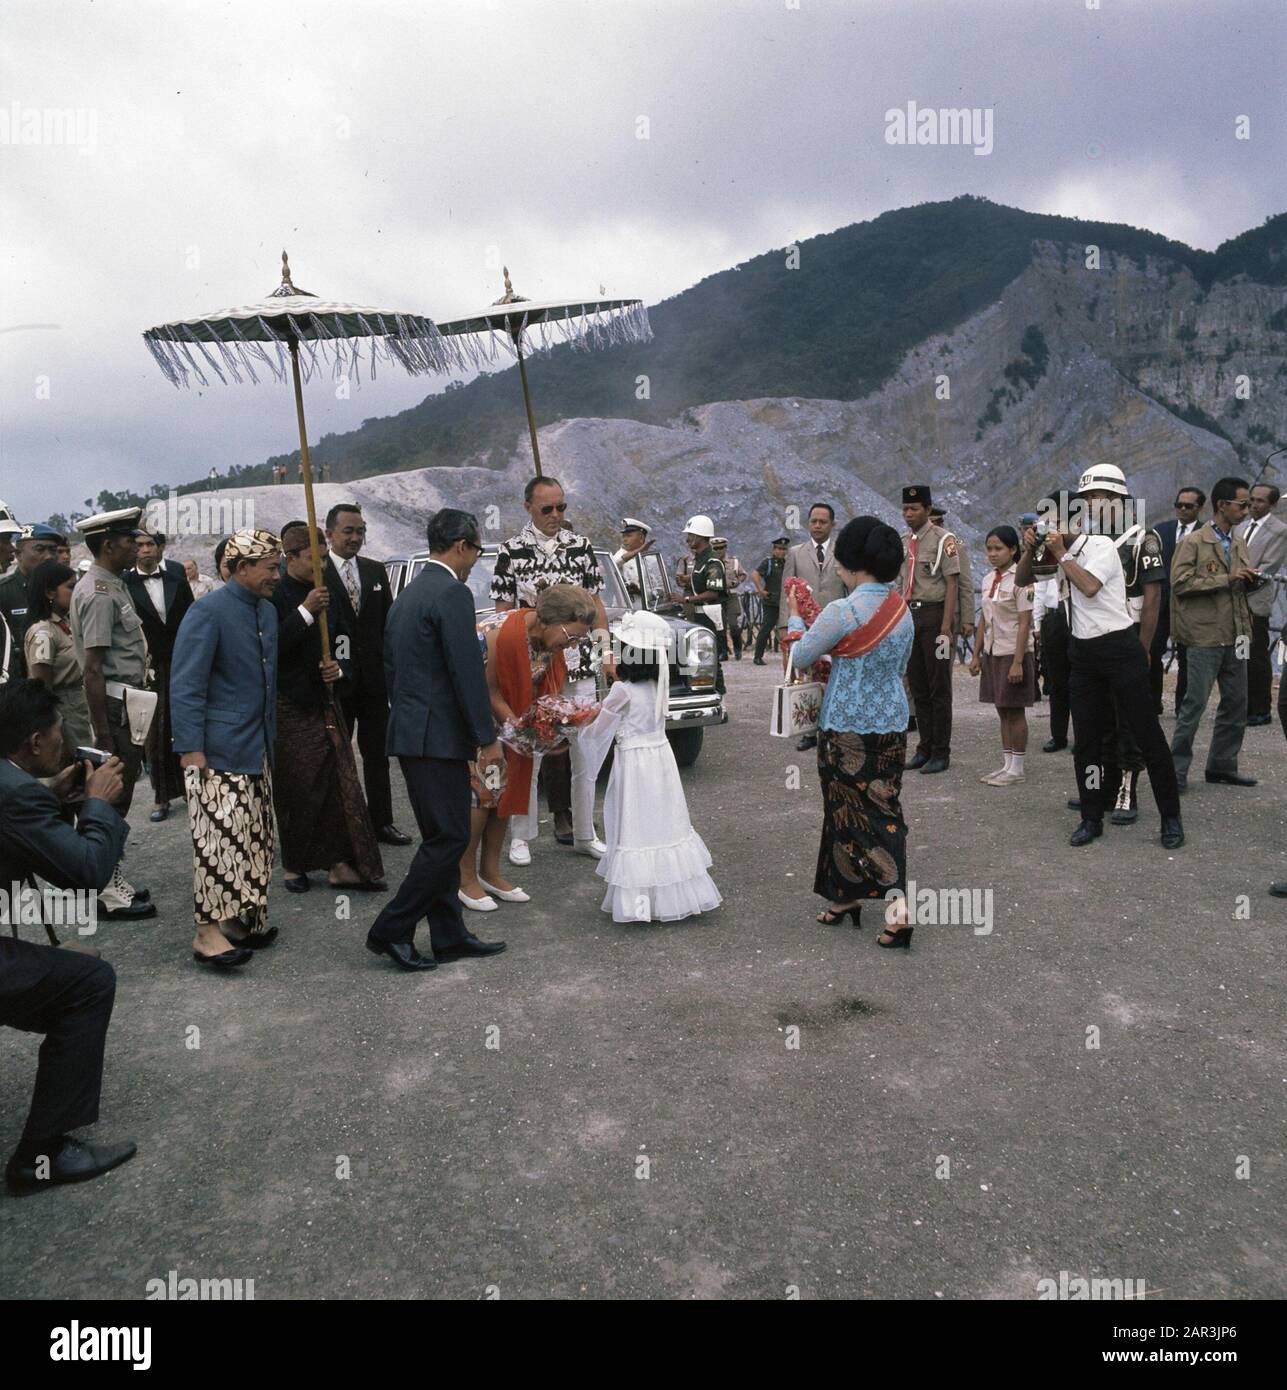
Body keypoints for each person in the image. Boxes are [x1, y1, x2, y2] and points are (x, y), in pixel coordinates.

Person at [0, 679, 137, 1193]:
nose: (67, 744)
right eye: (60, 735)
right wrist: (98, 806)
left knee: (66, 970)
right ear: (35, 742)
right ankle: (42, 1155)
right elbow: (88, 874)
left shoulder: (12, 784)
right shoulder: (15, 795)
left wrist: (51, 795)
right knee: (89, 981)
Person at [366, 509, 506, 972]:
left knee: (439, 835)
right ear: (462, 546)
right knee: (449, 837)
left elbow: (391, 667)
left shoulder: (408, 594)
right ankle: (390, 930)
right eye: (477, 551)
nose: (474, 562)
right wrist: (486, 737)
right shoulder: (452, 592)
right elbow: (465, 671)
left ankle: (448, 934)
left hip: (412, 732)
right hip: (437, 737)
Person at [1017, 469, 1183, 850]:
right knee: (1087, 742)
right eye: (1047, 521)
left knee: (1146, 734)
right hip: (1083, 653)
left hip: (1120, 648)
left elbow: (1090, 587)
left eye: (1057, 520)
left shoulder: (1102, 547)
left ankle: (1170, 816)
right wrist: (1031, 547)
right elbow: (1024, 580)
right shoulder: (1063, 548)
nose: (1052, 527)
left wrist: (1059, 551)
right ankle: (1091, 815)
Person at [785, 516, 915, 947]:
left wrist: (794, 616)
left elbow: (801, 655)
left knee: (848, 815)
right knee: (884, 812)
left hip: (845, 729)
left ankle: (899, 911)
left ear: (853, 563)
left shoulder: (844, 611)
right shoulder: (902, 610)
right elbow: (898, 669)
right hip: (892, 725)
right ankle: (844, 898)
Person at [170, 529, 283, 970]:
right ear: (241, 569)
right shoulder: (207, 612)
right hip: (216, 750)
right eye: (270, 568)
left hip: (257, 747)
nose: (278, 575)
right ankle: (207, 934)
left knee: (254, 836)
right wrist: (191, 748)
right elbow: (186, 686)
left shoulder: (268, 612)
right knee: (217, 841)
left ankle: (238, 921)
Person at [492, 476, 611, 864]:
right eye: (548, 509)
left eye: (562, 507)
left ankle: (584, 833)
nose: (557, 515)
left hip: (580, 668)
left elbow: (595, 603)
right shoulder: (510, 551)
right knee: (530, 749)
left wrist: (606, 651)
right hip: (536, 668)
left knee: (585, 753)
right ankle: (521, 836)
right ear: (528, 507)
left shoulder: (581, 547)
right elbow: (503, 614)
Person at [576, 610, 721, 922]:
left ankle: (639, 901)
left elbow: (599, 729)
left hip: (634, 765)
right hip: (660, 760)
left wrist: (576, 722)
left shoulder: (622, 691)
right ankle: (672, 895)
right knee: (663, 820)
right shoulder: (659, 685)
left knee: (636, 822)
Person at [461, 585, 598, 911]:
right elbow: (488, 691)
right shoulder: (495, 634)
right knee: (483, 795)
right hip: (481, 718)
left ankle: (490, 872)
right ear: (549, 620)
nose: (572, 645)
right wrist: (525, 732)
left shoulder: (549, 641)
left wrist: (550, 727)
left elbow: (543, 689)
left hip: (514, 718)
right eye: (571, 636)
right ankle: (464, 878)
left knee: (506, 793)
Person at [272, 521, 385, 897]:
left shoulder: (326, 590)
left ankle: (339, 862)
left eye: (324, 559)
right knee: (298, 785)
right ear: (290, 557)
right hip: (290, 704)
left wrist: (340, 666)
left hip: (327, 700)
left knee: (338, 783)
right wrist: (306, 611)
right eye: (312, 560)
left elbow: (343, 639)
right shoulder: (276, 593)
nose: (321, 567)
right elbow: (273, 646)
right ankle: (294, 864)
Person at [68, 509, 156, 921]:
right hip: (116, 706)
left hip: (128, 701)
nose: (137, 547)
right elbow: (93, 668)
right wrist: (102, 734)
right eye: (129, 541)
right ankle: (105, 888)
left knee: (121, 798)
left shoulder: (112, 585)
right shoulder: (100, 592)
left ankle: (108, 878)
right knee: (114, 801)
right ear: (108, 545)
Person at [323, 504, 409, 847]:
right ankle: (343, 828)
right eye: (348, 531)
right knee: (337, 757)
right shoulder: (316, 573)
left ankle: (381, 822)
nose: (355, 538)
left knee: (377, 755)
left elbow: (386, 626)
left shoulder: (375, 572)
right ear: (330, 534)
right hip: (337, 684)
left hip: (373, 683)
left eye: (360, 531)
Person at [1170, 476, 1261, 793]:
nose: (1247, 510)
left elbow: (1239, 580)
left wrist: (1251, 579)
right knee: (1194, 705)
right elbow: (1180, 584)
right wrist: (1226, 578)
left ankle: (1222, 766)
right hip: (1203, 637)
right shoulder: (1193, 542)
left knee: (1237, 704)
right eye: (1242, 504)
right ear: (1223, 505)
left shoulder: (1239, 542)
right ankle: (1176, 771)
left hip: (1238, 635)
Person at [125, 530, 195, 822]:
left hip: (181, 663)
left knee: (186, 723)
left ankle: (193, 790)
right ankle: (160, 796)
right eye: (139, 546)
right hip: (149, 668)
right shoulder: (124, 585)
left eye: (150, 544)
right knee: (154, 734)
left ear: (159, 548)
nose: (145, 550)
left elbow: (192, 620)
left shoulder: (177, 580)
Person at [969, 526, 1036, 785]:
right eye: (989, 549)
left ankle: (1017, 767)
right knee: (1001, 709)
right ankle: (1007, 763)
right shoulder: (988, 580)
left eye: (999, 549)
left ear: (1013, 550)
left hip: (1013, 652)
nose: (993, 554)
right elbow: (984, 620)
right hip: (993, 653)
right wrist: (976, 655)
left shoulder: (1023, 579)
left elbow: (1024, 621)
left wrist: (1018, 662)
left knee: (1015, 710)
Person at [900, 486, 959, 773]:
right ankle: (924, 747)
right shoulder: (903, 543)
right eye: (905, 509)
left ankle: (941, 751)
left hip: (935, 618)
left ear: (927, 509)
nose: (908, 514)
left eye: (914, 509)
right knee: (917, 683)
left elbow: (952, 584)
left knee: (939, 686)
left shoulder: (943, 540)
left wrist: (947, 626)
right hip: (910, 618)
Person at [23, 560, 91, 752]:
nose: (77, 591)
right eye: (71, 587)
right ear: (50, 593)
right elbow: (42, 687)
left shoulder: (67, 624)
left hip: (78, 705)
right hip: (63, 710)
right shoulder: (43, 633)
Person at [1150, 488, 1204, 715]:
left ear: (1199, 508)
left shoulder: (1206, 535)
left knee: (1187, 657)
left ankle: (1184, 706)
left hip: (1190, 606)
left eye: (1188, 506)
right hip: (1161, 603)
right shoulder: (1161, 531)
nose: (1182, 509)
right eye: (1179, 504)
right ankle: (1152, 703)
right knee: (1153, 652)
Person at [1238, 483, 1287, 726]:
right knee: (1241, 653)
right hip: (1236, 601)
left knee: (1256, 655)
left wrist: (1236, 578)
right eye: (1252, 500)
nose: (1254, 504)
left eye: (1260, 501)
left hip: (1255, 601)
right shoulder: (1242, 525)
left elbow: (1266, 568)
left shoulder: (1279, 530)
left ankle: (1260, 708)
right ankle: (1244, 705)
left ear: (1272, 504)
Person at [0, 523, 64, 682]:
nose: (49, 556)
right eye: (40, 550)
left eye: (53, 550)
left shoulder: (63, 594)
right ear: (19, 555)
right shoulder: (4, 592)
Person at [929, 504, 977, 656]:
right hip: (920, 617)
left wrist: (967, 619)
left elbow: (965, 584)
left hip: (947, 618)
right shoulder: (914, 546)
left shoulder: (954, 547)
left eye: (934, 525)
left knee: (941, 663)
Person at [751, 536, 788, 664]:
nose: (781, 551)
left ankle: (789, 655)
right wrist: (760, 590)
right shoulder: (769, 562)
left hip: (785, 602)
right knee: (766, 629)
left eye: (784, 549)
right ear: (774, 549)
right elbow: (755, 574)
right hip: (771, 601)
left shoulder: (787, 563)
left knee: (787, 628)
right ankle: (758, 656)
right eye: (779, 549)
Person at [712, 538, 746, 661]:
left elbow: (743, 574)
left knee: (733, 624)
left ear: (725, 548)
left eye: (721, 548)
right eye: (715, 548)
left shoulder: (734, 562)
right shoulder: (709, 562)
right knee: (719, 626)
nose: (718, 551)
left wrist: (737, 581)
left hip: (730, 595)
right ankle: (723, 652)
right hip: (716, 596)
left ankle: (737, 649)